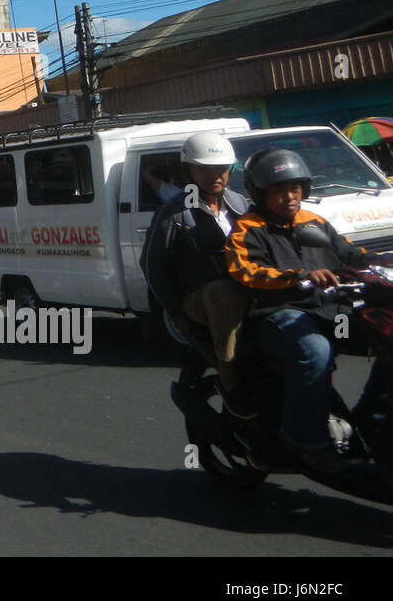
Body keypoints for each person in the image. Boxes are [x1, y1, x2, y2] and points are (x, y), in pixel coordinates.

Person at [225, 148, 385, 475]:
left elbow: (352, 255)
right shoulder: (247, 228)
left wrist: (382, 263)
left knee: (386, 334)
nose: (289, 197)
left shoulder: (315, 222)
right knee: (314, 350)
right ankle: (306, 439)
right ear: (259, 194)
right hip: (278, 313)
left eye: (295, 189)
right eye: (278, 191)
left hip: (330, 309)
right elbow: (245, 272)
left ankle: (373, 419)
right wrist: (297, 277)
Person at [141, 131, 253, 415]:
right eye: (204, 168)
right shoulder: (176, 212)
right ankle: (229, 375)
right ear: (188, 170)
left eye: (221, 169)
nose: (214, 175)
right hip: (201, 299)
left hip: (247, 292)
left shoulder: (242, 206)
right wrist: (176, 313)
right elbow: (152, 265)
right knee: (223, 292)